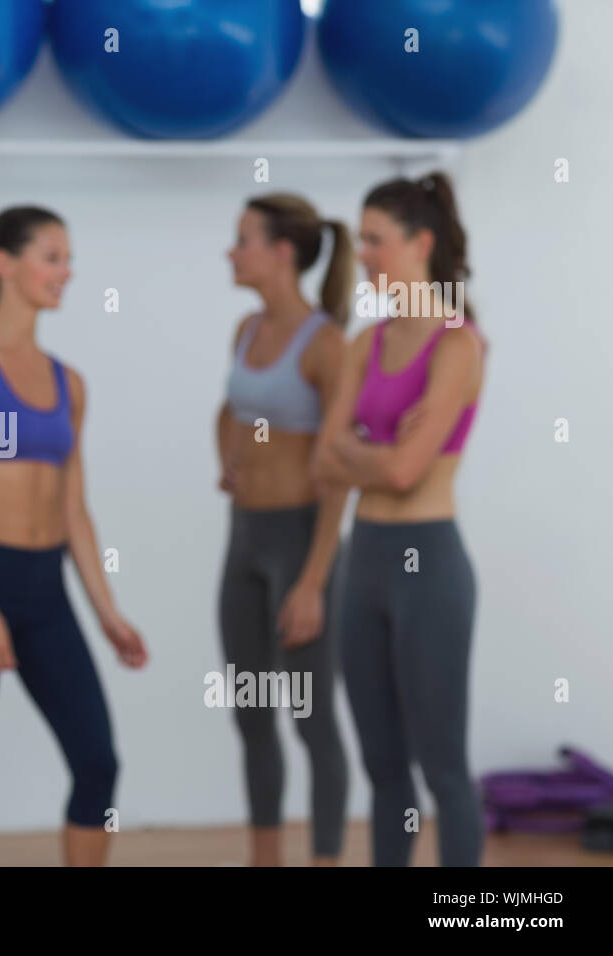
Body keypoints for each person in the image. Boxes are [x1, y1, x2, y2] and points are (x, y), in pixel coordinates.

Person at [0, 206, 148, 867]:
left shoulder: (67, 382)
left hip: (46, 592)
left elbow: (75, 511)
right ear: (4, 263)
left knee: (98, 762)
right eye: (52, 257)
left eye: (68, 259)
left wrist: (108, 614)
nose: (66, 272)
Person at [314, 171, 488, 867]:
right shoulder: (365, 343)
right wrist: (377, 452)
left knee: (443, 765)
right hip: (367, 565)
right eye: (360, 240)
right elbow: (324, 463)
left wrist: (366, 451)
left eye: (375, 241)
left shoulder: (458, 346)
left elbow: (401, 473)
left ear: (420, 244)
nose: (364, 255)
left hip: (431, 567)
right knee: (385, 769)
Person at [217, 193, 354, 866]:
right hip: (243, 540)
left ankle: (326, 858)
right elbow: (232, 405)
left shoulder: (327, 344)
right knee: (251, 711)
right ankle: (264, 858)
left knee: (311, 718)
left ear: (282, 253)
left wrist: (314, 583)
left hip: (302, 544)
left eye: (242, 239)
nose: (230, 251)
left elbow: (337, 476)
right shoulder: (246, 330)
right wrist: (228, 460)